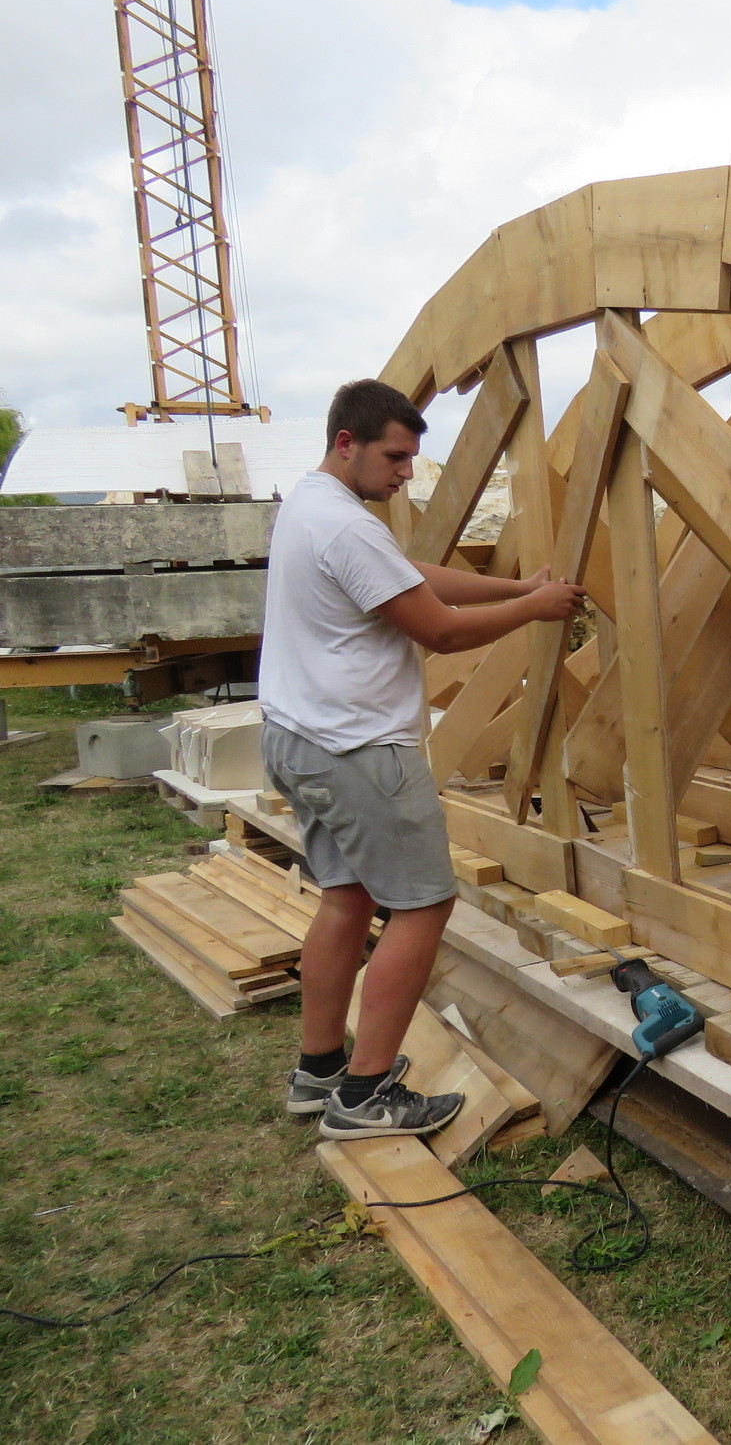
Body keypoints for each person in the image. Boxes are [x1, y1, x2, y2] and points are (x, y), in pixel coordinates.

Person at [262, 378, 585, 1139]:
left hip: (299, 737)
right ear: (348, 442)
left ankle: (320, 1073)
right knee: (423, 905)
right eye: (396, 456)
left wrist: (513, 584)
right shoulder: (345, 527)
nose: (407, 472)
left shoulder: (314, 508)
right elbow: (436, 630)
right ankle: (367, 1096)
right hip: (358, 747)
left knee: (346, 898)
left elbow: (411, 581)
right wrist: (532, 611)